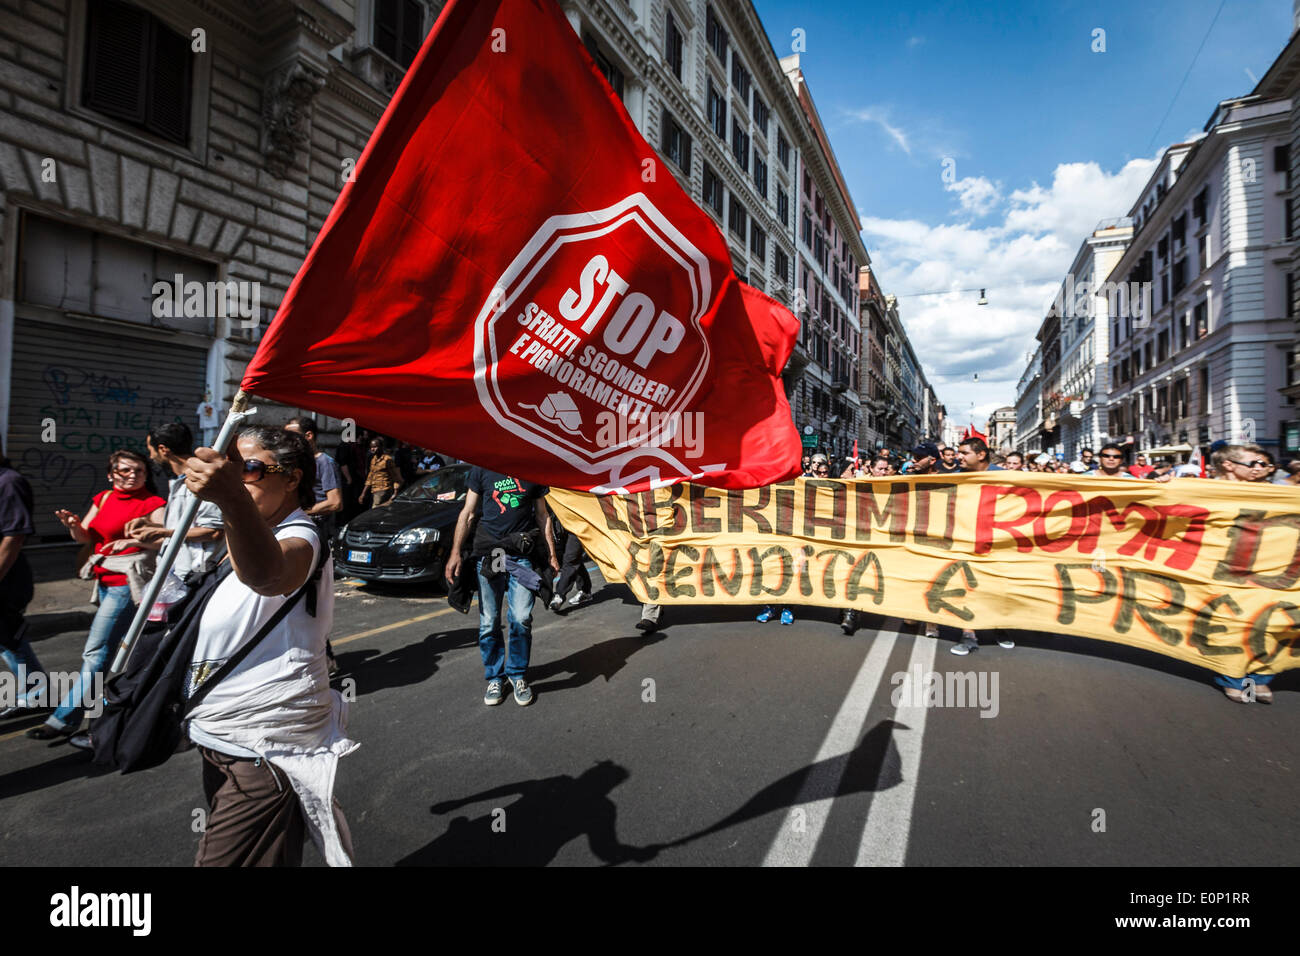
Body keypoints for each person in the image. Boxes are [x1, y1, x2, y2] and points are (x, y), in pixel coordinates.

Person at [181, 426, 355, 865]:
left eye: (251, 469)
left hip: (263, 745)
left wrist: (231, 499)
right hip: (222, 733)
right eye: (233, 469)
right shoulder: (248, 529)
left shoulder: (302, 534)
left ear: (292, 478)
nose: (240, 477)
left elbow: (267, 576)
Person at [31, 450, 165, 739]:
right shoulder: (103, 498)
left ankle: (64, 719)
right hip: (103, 581)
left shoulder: (154, 503)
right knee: (135, 652)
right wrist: (73, 527)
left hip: (126, 585)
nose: (132, 476)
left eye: (139, 471)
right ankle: (140, 710)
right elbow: (87, 537)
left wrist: (130, 540)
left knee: (96, 652)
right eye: (125, 471)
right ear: (110, 473)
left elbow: (164, 540)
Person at [445, 467, 558, 707]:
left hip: (521, 553)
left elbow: (542, 515)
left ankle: (516, 674)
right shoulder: (481, 468)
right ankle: (495, 677)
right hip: (490, 553)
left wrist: (551, 554)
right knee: (489, 622)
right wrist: (455, 552)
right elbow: (468, 513)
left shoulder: (532, 468)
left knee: (521, 617)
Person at [1212, 444, 1277, 704]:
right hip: (1220, 568)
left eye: (1265, 465)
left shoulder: (1277, 493)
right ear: (1229, 465)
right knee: (1232, 623)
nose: (1261, 468)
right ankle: (1234, 679)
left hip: (1267, 567)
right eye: (1254, 464)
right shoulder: (1205, 490)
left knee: (1268, 621)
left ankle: (1259, 678)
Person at [126, 423, 226, 583]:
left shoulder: (202, 481)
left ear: (163, 449)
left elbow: (213, 531)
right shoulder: (178, 482)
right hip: (175, 570)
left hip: (196, 574)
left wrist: (164, 533)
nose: (151, 456)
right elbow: (183, 526)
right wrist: (150, 525)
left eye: (151, 450)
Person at [951, 437, 1012, 655]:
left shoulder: (1005, 477)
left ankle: (999, 628)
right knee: (968, 586)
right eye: (958, 452)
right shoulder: (956, 478)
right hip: (966, 542)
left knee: (996, 587)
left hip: (999, 543)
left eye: (964, 453)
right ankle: (968, 633)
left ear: (981, 454)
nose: (959, 457)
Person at [0, 455, 42, 720]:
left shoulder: (8, 482)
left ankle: (37, 694)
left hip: (7, 577)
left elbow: (14, 536)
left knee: (8, 636)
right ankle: (37, 692)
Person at [284, 418, 344, 544]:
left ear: (309, 436)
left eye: (292, 436)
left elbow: (335, 502)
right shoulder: (297, 463)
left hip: (318, 527)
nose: (286, 441)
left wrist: (302, 511)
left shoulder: (325, 462)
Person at [548, 509, 592, 612]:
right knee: (573, 559)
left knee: (570, 559)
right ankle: (585, 591)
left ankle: (559, 595)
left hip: (577, 524)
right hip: (559, 525)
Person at [360, 438, 402, 508]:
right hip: (374, 490)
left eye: (375, 447)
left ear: (381, 447)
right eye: (371, 447)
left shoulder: (387, 460)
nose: (372, 449)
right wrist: (363, 493)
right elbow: (370, 477)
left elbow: (395, 477)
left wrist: (395, 493)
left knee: (375, 511)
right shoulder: (373, 459)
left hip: (383, 490)